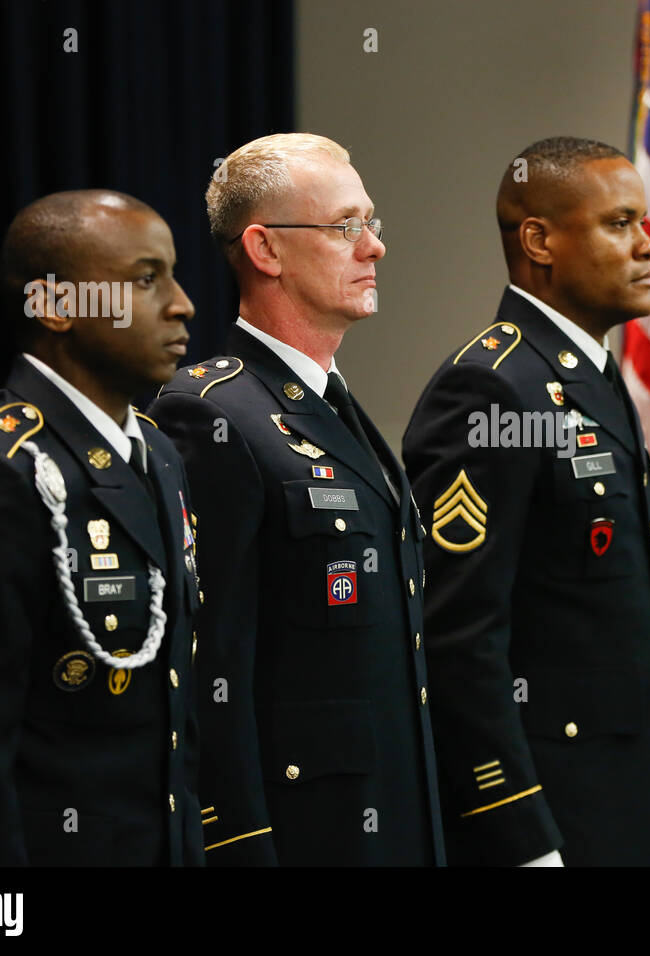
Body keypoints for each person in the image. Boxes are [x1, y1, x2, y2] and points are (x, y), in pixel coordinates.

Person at [0, 190, 203, 865]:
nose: (182, 304)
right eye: (146, 279)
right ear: (54, 304)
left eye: (171, 274)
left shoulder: (157, 454)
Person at [148, 133, 442, 865]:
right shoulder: (211, 414)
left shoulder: (337, 408)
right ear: (265, 249)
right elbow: (210, 668)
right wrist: (238, 846)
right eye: (345, 226)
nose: (374, 246)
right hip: (307, 836)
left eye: (371, 222)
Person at [402, 137, 650, 866]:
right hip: (556, 821)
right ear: (539, 241)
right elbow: (458, 637)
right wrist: (520, 836)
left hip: (629, 805)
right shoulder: (493, 387)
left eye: (643, 223)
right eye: (619, 223)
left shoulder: (592, 377)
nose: (647, 246)